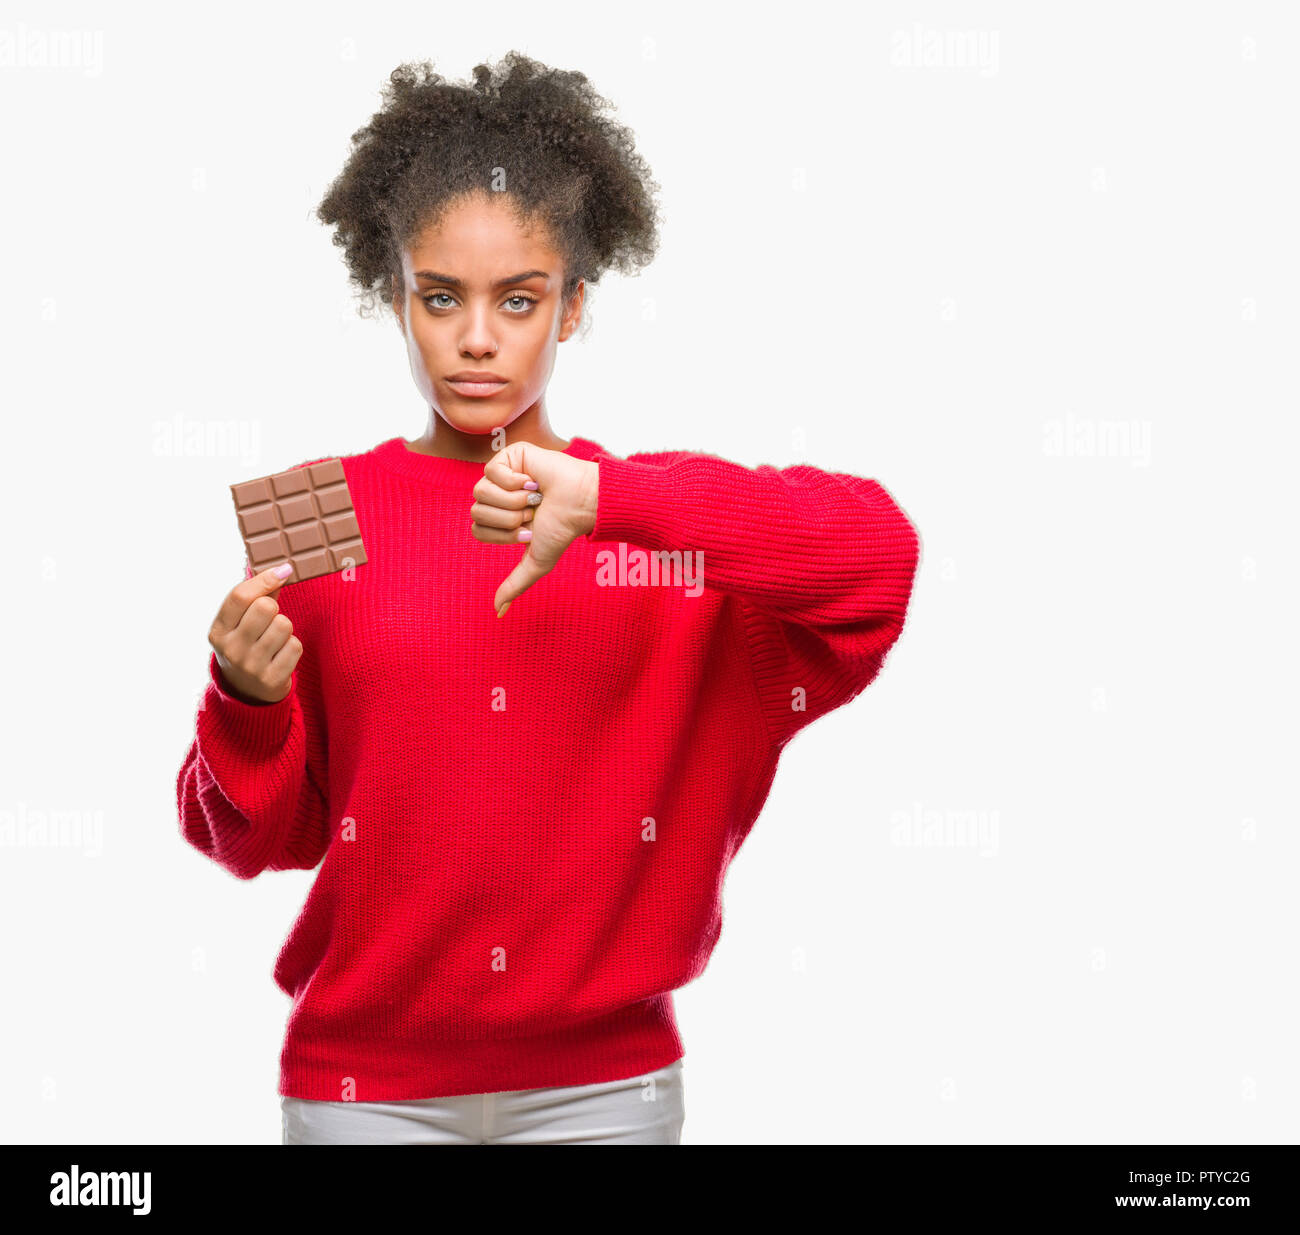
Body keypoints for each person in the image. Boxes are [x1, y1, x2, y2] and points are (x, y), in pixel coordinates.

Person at [176, 52, 921, 1146]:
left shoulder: (665, 543)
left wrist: (615, 500)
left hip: (605, 1094)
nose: (477, 338)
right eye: (441, 297)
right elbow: (252, 840)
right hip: (361, 1089)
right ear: (394, 297)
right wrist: (245, 703)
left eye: (517, 299)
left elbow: (876, 559)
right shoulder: (324, 514)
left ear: (572, 306)